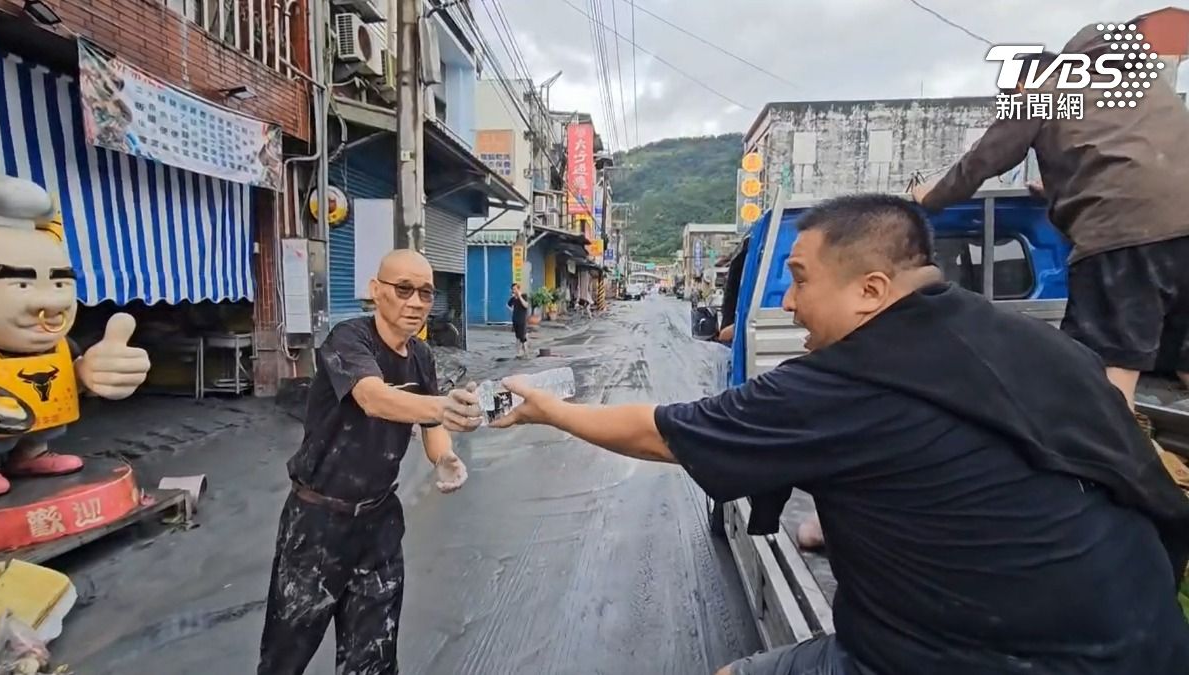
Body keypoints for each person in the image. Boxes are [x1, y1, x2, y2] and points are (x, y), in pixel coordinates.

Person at [490, 194, 1189, 675]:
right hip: (1148, 640)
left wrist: (547, 407)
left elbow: (659, 433)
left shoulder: (843, 385)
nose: (787, 302)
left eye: (797, 279)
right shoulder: (1033, 342)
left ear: (871, 290)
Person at [912, 23, 1189, 414]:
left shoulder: (1048, 88)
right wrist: (1064, 187)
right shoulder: (1156, 91)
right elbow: (1132, 160)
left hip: (1122, 239)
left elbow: (987, 157)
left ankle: (1117, 472)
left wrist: (933, 196)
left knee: (1109, 370)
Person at [258, 249, 483, 675]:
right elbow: (373, 397)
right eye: (403, 289)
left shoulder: (421, 356)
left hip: (379, 524)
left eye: (425, 293)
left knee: (375, 659)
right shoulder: (349, 339)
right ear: (376, 291)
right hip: (317, 522)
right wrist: (442, 407)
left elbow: (430, 419)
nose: (415, 302)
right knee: (284, 657)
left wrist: (445, 456)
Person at [507, 283, 529, 358]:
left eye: (515, 289)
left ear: (518, 289)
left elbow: (526, 305)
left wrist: (519, 297)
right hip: (515, 319)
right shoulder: (513, 298)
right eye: (512, 289)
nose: (513, 291)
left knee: (522, 336)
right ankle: (519, 352)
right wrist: (512, 310)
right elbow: (507, 305)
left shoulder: (524, 296)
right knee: (517, 336)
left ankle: (525, 352)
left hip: (522, 319)